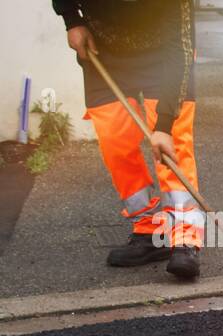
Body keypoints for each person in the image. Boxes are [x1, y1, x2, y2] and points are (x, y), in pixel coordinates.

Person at [54, 0, 204, 279]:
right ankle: (149, 230)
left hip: (165, 53)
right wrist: (72, 19)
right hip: (105, 49)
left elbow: (179, 48)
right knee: (114, 140)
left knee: (174, 145)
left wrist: (164, 125)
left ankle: (185, 236)